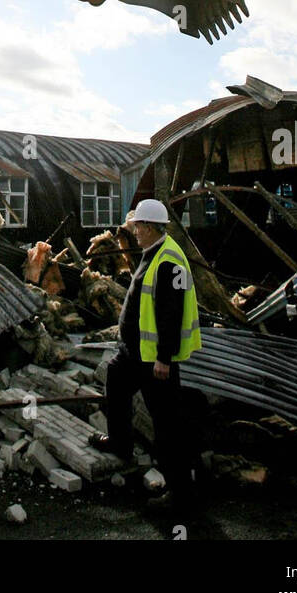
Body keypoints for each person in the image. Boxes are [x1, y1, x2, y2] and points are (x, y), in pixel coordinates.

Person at [90, 198, 201, 511]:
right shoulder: (152, 252)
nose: (134, 231)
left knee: (166, 423)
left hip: (154, 359)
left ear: (151, 227)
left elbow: (171, 312)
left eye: (138, 226)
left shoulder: (168, 261)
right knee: (115, 380)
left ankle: (182, 493)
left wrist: (164, 358)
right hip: (134, 352)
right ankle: (120, 443)